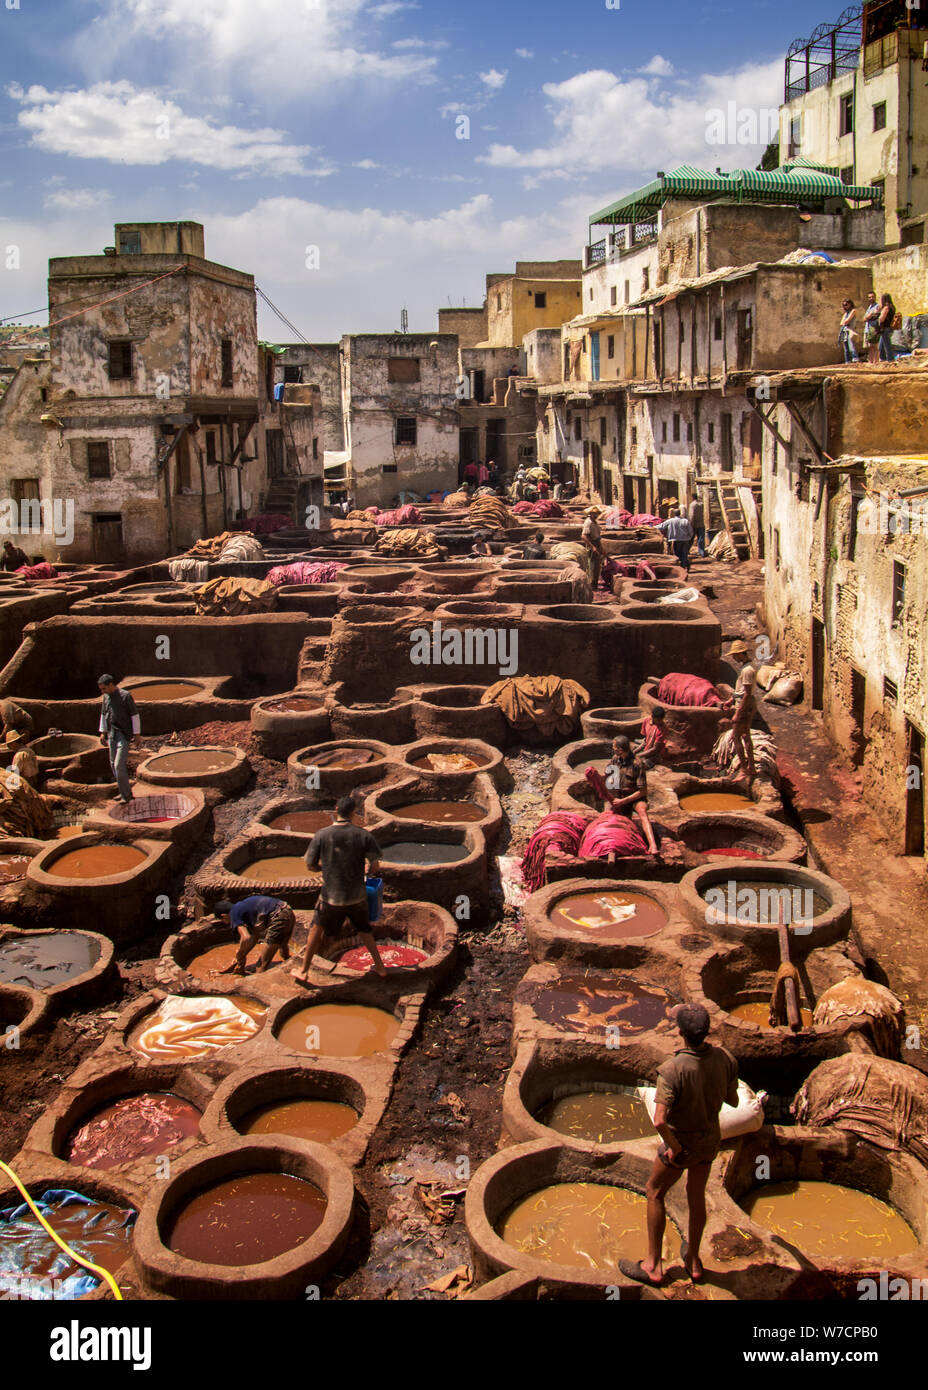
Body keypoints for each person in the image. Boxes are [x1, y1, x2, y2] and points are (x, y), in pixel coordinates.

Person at [619, 1003, 738, 1287]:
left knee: (654, 1191)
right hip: (709, 1142)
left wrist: (673, 1147)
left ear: (680, 1032)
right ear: (706, 1032)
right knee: (696, 1197)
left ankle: (653, 1266)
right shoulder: (725, 1059)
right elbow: (733, 1100)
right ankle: (694, 1261)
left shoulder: (672, 1070)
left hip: (682, 1144)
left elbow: (660, 1120)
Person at [296, 796, 387, 982]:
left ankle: (303, 971)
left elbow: (310, 866)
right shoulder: (363, 835)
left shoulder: (322, 835)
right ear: (353, 812)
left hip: (331, 897)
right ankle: (379, 967)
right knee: (365, 931)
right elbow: (375, 866)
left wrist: (326, 868)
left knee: (316, 929)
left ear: (336, 809)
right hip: (357, 896)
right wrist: (366, 870)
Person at [603, 735, 659, 854]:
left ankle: (653, 845)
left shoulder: (637, 764)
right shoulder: (615, 759)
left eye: (614, 747)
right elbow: (608, 776)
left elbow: (642, 791)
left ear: (620, 749)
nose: (613, 748)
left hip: (634, 798)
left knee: (642, 812)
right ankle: (610, 844)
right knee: (607, 815)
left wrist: (623, 801)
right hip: (620, 796)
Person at [215, 895, 296, 975]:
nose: (225, 923)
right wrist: (242, 956)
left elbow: (246, 937)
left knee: (261, 966)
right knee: (283, 947)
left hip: (278, 916)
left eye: (222, 920)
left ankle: (260, 981)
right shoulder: (243, 908)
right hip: (287, 910)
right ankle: (292, 965)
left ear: (224, 915)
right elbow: (255, 936)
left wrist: (240, 954)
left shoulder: (234, 913)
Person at [97, 674, 140, 804]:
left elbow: (134, 715)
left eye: (104, 688)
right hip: (112, 733)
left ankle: (126, 796)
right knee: (112, 764)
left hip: (123, 734)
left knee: (118, 765)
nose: (102, 691)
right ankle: (124, 791)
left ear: (111, 685)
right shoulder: (106, 697)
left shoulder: (125, 696)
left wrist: (137, 734)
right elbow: (103, 714)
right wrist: (103, 733)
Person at [723, 661, 758, 784]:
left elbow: (747, 694)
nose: (734, 657)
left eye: (735, 655)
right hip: (746, 704)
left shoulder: (747, 670)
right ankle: (751, 767)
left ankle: (743, 770)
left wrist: (738, 713)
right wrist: (731, 700)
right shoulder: (748, 667)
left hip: (744, 706)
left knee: (736, 737)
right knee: (745, 735)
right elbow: (741, 690)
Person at [581, 505, 607, 589]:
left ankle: (594, 584)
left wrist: (601, 548)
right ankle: (590, 584)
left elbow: (598, 537)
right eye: (594, 514)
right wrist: (592, 547)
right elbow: (584, 536)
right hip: (592, 544)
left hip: (596, 543)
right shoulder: (588, 522)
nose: (596, 515)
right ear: (590, 513)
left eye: (597, 514)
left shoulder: (594, 522)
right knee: (592, 565)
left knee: (597, 565)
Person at [838, 299, 860, 363]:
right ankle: (847, 361)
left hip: (850, 330)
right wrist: (845, 322)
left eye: (846, 305)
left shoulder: (853, 311)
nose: (845, 306)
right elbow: (841, 323)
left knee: (851, 345)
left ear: (850, 304)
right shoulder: (846, 313)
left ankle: (855, 358)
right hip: (845, 330)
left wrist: (845, 322)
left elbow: (847, 321)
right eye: (844, 305)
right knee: (846, 347)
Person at [878, 293, 897, 362]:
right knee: (881, 345)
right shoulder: (892, 307)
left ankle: (890, 359)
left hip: (885, 328)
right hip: (889, 327)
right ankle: (882, 358)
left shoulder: (886, 308)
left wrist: (877, 317)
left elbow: (881, 319)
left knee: (887, 345)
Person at [863, 290, 881, 364]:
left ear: (875, 297)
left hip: (874, 328)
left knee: (875, 346)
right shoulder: (869, 307)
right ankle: (870, 361)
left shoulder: (877, 306)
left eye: (872, 297)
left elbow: (873, 316)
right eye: (869, 297)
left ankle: (876, 361)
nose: (871, 298)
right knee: (870, 346)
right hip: (868, 328)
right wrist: (869, 316)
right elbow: (864, 319)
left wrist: (868, 316)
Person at [687, 493, 706, 560]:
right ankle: (701, 552)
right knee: (701, 539)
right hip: (701, 524)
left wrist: (690, 524)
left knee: (690, 538)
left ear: (692, 497)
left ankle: (687, 550)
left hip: (694, 524)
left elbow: (692, 515)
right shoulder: (701, 504)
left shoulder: (692, 505)